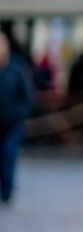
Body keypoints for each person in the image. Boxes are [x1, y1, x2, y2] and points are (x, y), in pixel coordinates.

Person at [0, 33, 36, 206]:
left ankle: (7, 191)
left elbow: (29, 97)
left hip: (13, 124)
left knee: (8, 154)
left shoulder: (17, 69)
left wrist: (20, 114)